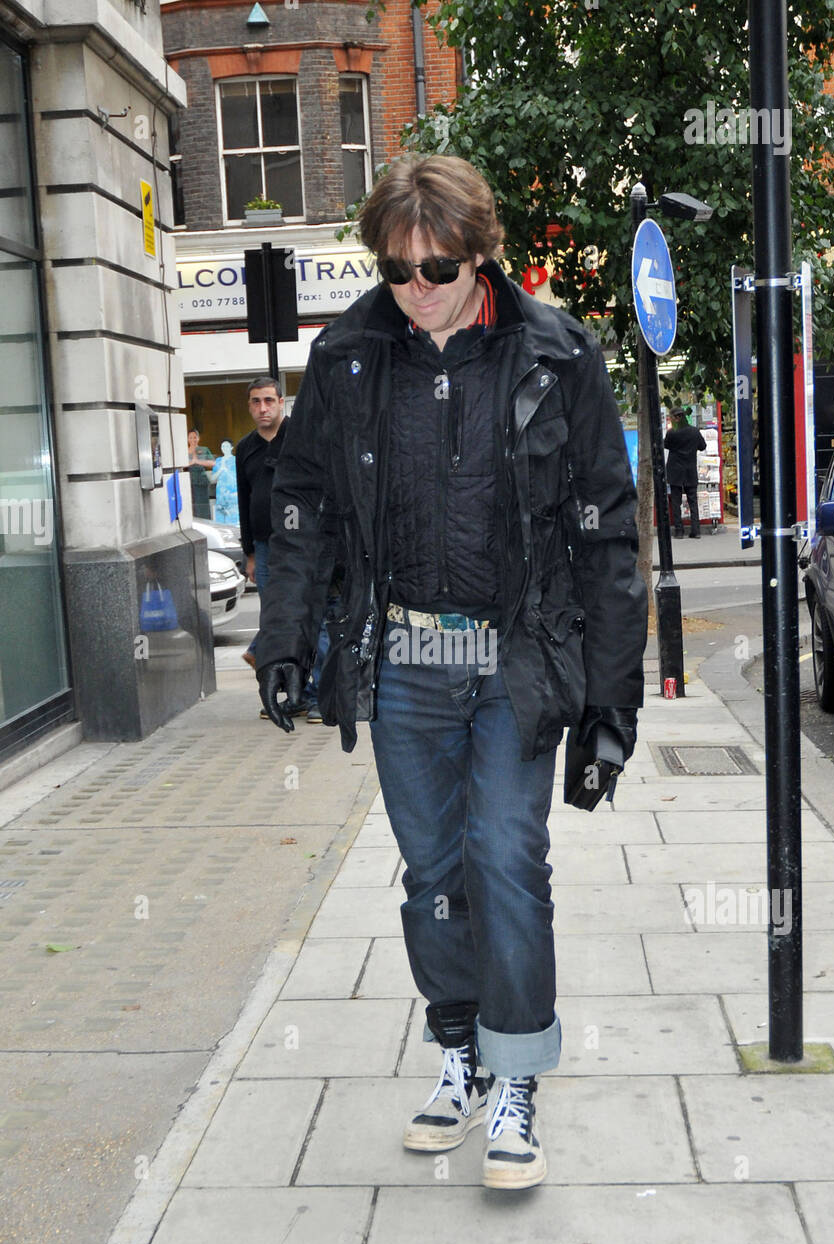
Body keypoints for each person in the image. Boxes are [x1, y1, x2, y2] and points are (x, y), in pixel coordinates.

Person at [254, 155, 647, 1189]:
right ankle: (460, 1052)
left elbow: (608, 534)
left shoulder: (557, 355)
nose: (414, 287)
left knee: (507, 860)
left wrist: (612, 697)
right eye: (394, 268)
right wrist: (283, 640)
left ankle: (516, 1076)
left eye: (436, 266)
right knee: (432, 877)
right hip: (405, 662)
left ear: (481, 255)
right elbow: (300, 507)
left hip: (512, 659)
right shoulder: (346, 356)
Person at [235, 378, 288, 675]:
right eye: (256, 402)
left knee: (303, 611)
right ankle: (278, 681)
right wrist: (250, 552)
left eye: (269, 400)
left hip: (300, 542)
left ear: (281, 402)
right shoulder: (245, 448)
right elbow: (245, 499)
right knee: (272, 611)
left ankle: (310, 692)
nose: (262, 408)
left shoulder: (301, 436)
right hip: (265, 545)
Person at [664, 407, 706, 538]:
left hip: (675, 470)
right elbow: (702, 446)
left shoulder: (671, 433)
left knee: (676, 502)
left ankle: (679, 531)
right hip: (690, 470)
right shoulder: (694, 431)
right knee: (693, 501)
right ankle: (696, 531)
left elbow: (666, 445)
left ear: (677, 418)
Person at [186, 427, 213, 519]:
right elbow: (178, 466)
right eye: (190, 437)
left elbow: (213, 463)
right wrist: (190, 463)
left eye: (195, 437)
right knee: (190, 505)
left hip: (201, 480)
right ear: (187, 438)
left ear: (198, 438)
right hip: (188, 481)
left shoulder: (204, 449)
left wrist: (197, 461)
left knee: (202, 505)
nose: (193, 439)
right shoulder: (183, 451)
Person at [210, 440, 240, 524]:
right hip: (220, 495)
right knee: (221, 522)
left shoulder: (236, 460)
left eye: (227, 446)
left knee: (233, 521)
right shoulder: (218, 461)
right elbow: (212, 479)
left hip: (233, 495)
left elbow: (239, 477)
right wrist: (221, 469)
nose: (224, 448)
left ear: (231, 448)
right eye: (223, 446)